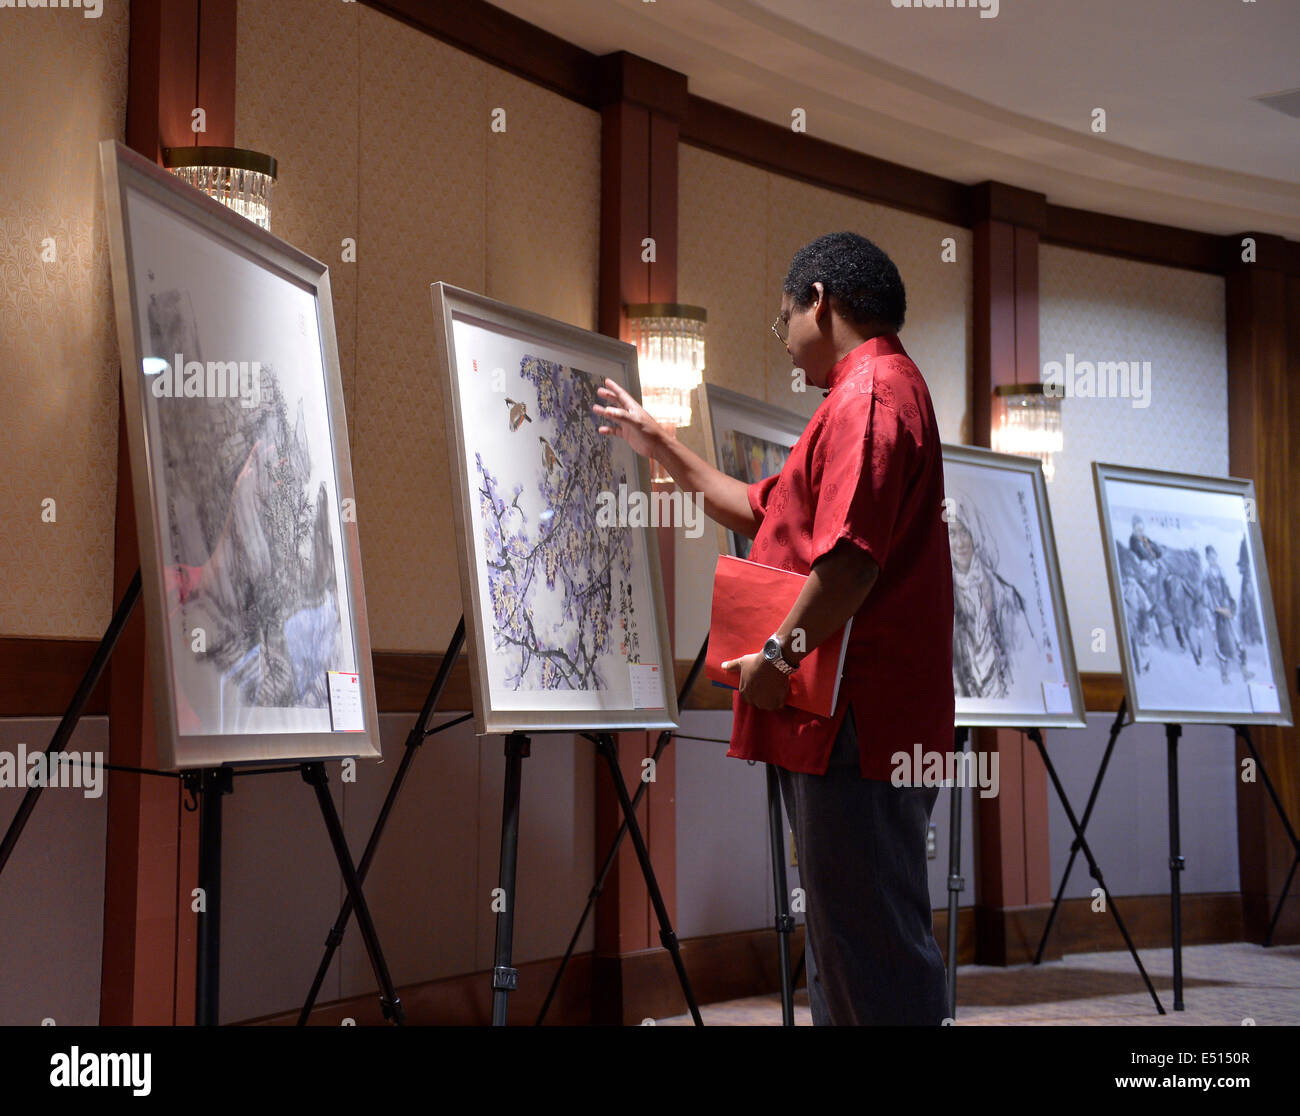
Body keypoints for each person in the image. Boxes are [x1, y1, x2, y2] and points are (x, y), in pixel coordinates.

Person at [593, 231, 953, 1025]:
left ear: (819, 301)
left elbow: (850, 564)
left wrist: (778, 658)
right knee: (849, 943)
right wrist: (660, 444)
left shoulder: (867, 396)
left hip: (854, 722)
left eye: (783, 318)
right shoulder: (874, 391)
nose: (786, 342)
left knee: (870, 953)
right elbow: (755, 506)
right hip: (859, 721)